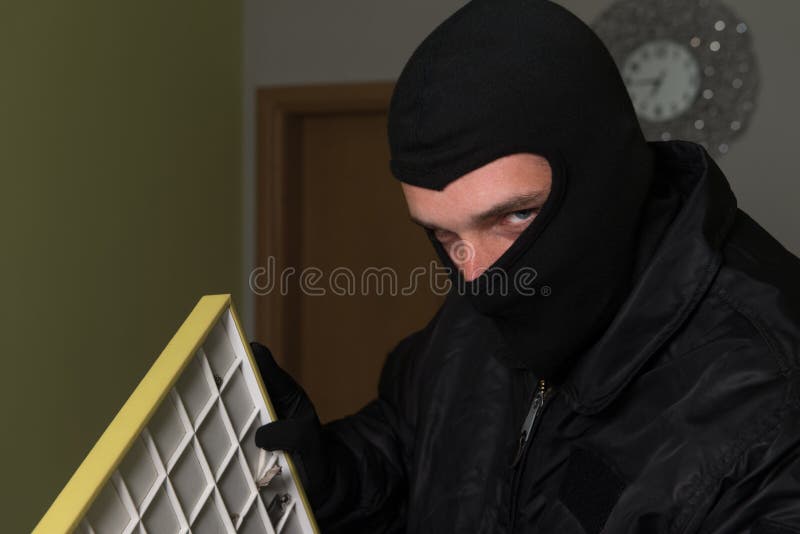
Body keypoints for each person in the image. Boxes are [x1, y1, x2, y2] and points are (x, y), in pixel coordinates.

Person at [251, 0, 800, 532]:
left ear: (605, 174)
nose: (477, 276)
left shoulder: (775, 393)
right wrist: (327, 480)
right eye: (443, 233)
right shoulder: (479, 302)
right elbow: (407, 451)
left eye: (515, 216)